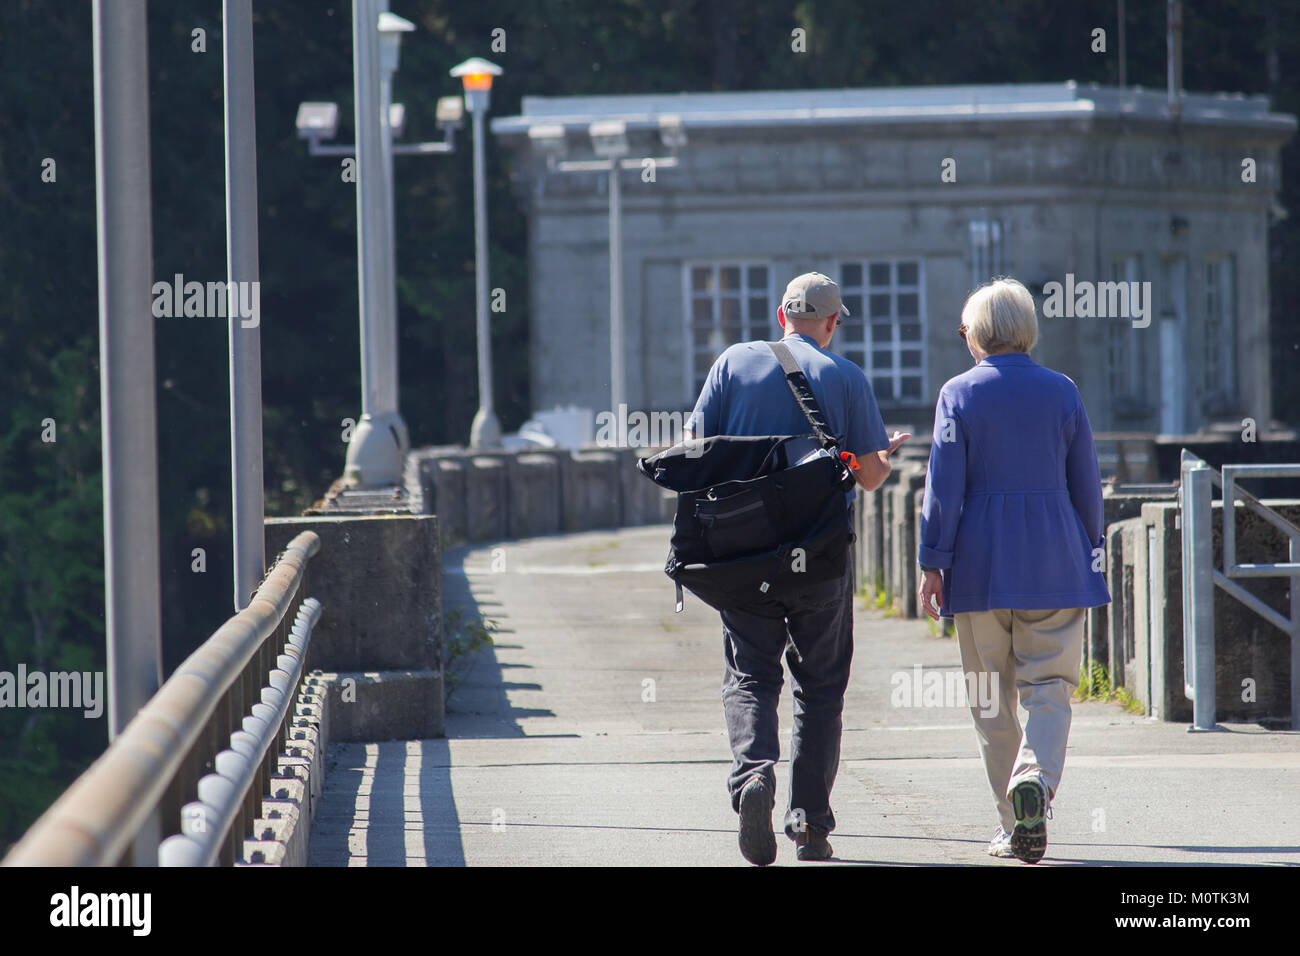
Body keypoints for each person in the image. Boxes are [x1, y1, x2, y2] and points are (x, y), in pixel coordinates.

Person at [685, 272, 910, 865]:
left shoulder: (733, 363)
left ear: (780, 316)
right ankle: (809, 823)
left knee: (750, 675)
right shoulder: (846, 376)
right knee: (820, 685)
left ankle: (753, 776)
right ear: (832, 322)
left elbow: (694, 448)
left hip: (745, 556)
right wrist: (885, 450)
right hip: (821, 557)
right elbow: (866, 473)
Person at [916, 277, 1110, 864]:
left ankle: (1011, 821)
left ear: (976, 335)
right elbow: (1087, 488)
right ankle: (1037, 777)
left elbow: (943, 489)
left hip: (979, 567)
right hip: (1053, 560)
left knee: (990, 699)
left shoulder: (958, 394)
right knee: (1049, 688)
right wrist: (1091, 551)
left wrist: (932, 564)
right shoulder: (1063, 392)